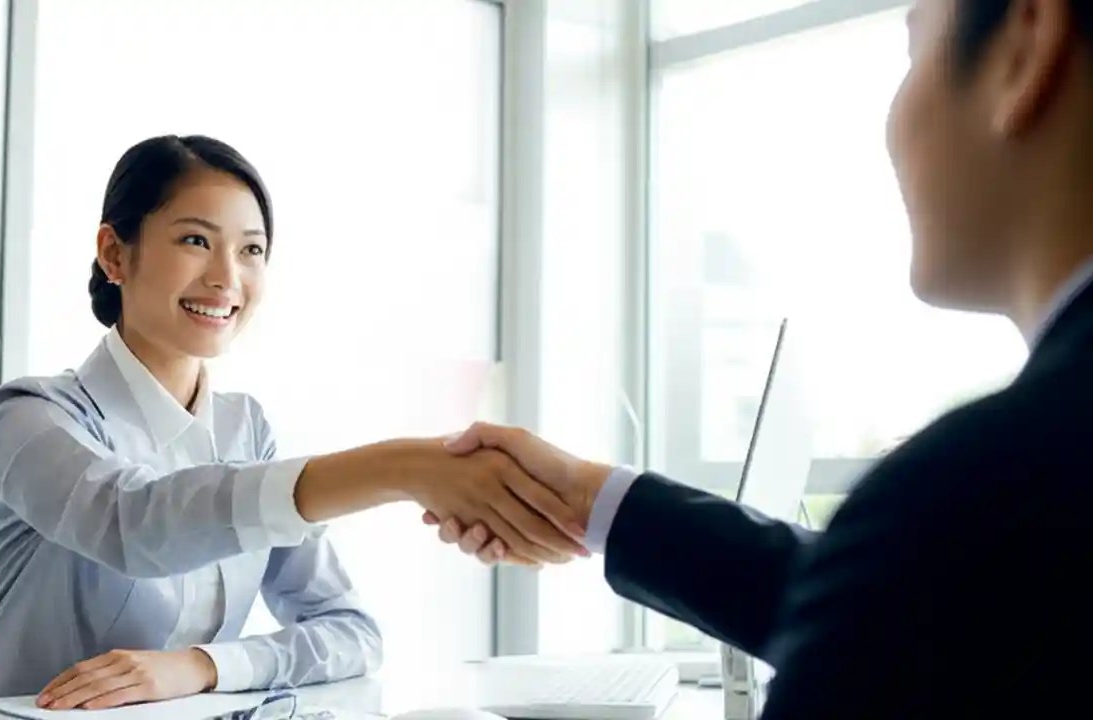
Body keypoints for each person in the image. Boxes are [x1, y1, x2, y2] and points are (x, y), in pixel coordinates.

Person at [429, 0, 1093, 716]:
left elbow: (922, 600)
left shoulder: (969, 501)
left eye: (912, 51)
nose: (893, 126)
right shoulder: (995, 525)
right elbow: (940, 619)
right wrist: (593, 500)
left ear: (1025, 46)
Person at [0, 134, 586, 709]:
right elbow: (132, 525)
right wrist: (398, 468)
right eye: (196, 241)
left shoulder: (244, 428)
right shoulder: (30, 414)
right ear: (114, 254)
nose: (227, 278)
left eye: (251, 249)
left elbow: (349, 633)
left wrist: (202, 666)